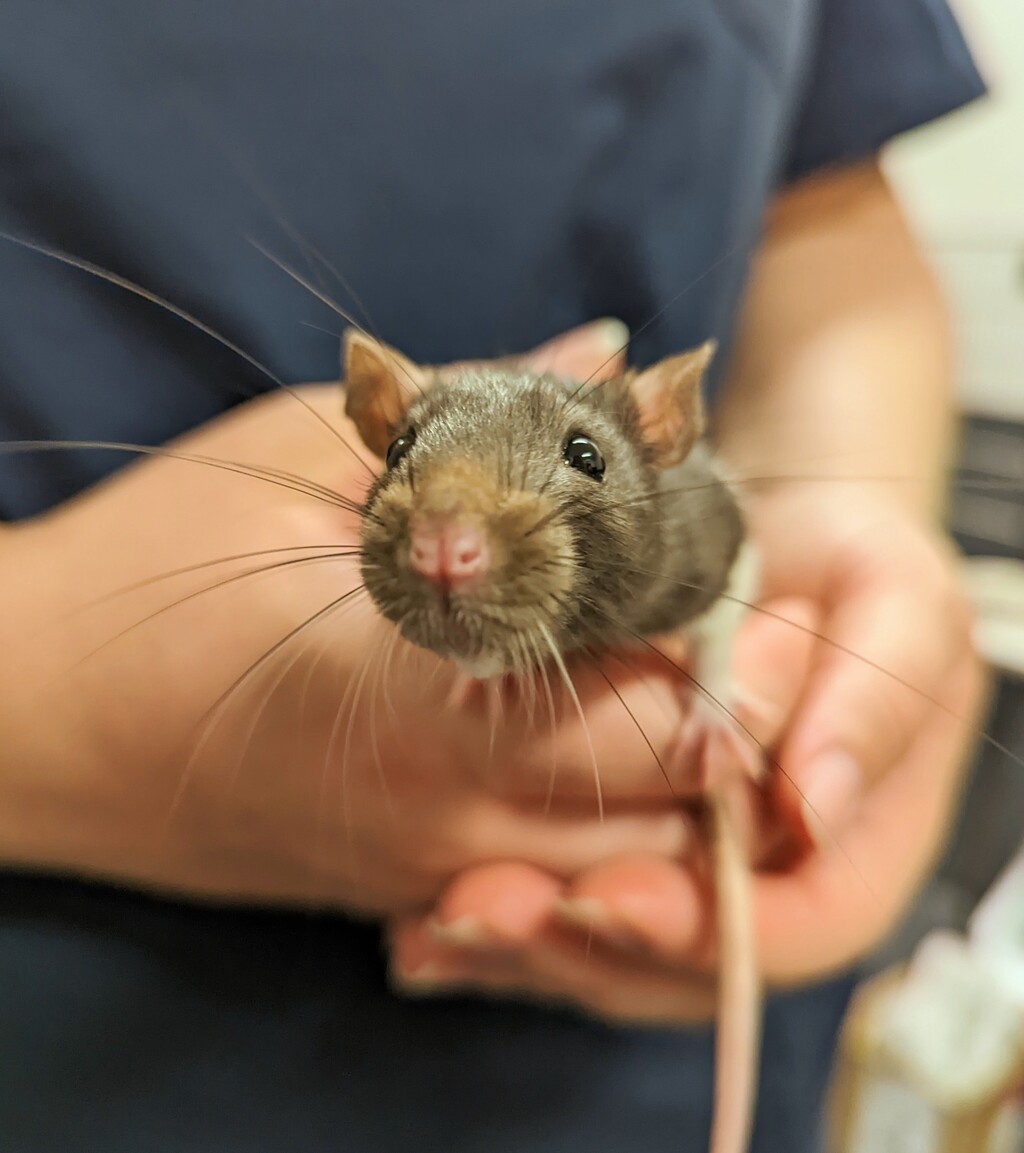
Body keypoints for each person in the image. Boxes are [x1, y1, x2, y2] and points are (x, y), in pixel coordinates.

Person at [0, 1, 986, 1150]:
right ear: (384, 412)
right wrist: (53, 694)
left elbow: (834, 235)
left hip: (645, 1052)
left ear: (658, 427)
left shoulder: (674, 513)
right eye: (410, 453)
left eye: (575, 461)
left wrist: (836, 622)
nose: (451, 540)